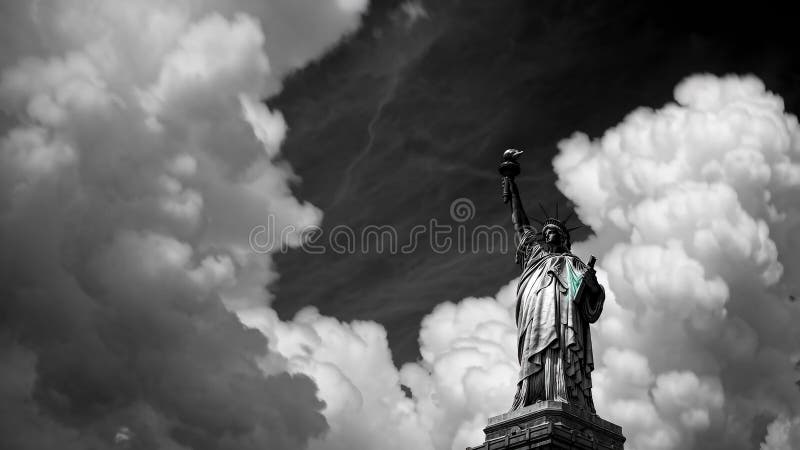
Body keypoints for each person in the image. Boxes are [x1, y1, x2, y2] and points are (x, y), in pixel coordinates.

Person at [501, 155, 605, 413]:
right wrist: (510, 183)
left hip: (565, 318)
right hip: (536, 314)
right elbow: (520, 223)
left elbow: (593, 297)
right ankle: (533, 393)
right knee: (536, 349)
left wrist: (591, 285)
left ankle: (564, 393)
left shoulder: (574, 263)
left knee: (561, 349)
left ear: (564, 239)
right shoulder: (535, 255)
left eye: (555, 232)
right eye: (546, 231)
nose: (549, 233)